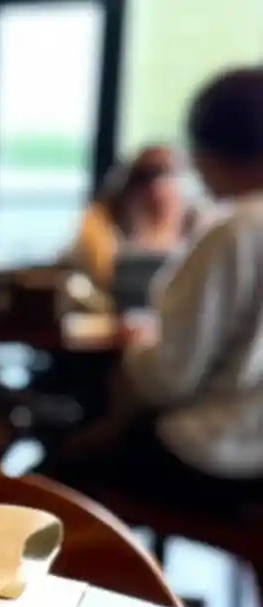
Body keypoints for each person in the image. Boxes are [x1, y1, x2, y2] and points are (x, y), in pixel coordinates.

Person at [50, 68, 263, 500]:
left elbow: (168, 378)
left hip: (220, 452)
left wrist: (137, 353)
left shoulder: (235, 230)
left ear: (208, 150)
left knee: (58, 468)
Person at [64, 145, 188, 289]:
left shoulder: (197, 228)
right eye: (146, 177)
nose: (156, 188)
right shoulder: (98, 228)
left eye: (168, 175)